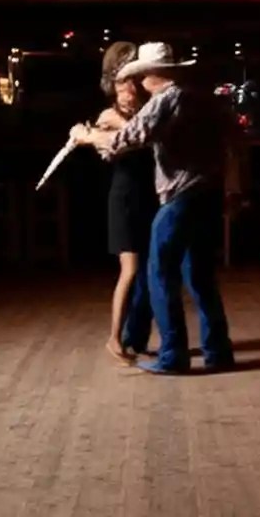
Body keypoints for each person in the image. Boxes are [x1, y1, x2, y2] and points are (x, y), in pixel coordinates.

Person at [75, 42, 247, 375]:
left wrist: (86, 135)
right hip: (208, 195)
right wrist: (234, 188)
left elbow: (122, 141)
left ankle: (173, 355)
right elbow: (234, 141)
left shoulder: (165, 102)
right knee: (200, 277)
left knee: (158, 274)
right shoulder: (201, 99)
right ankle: (218, 351)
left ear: (149, 74)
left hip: (180, 199)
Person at [92, 42, 156, 365]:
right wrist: (97, 134)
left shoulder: (148, 112)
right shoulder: (108, 115)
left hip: (148, 197)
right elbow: (106, 149)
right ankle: (114, 338)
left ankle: (136, 338)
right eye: (121, 82)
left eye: (132, 80)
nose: (129, 88)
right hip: (124, 200)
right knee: (129, 270)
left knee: (148, 273)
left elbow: (146, 136)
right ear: (112, 84)